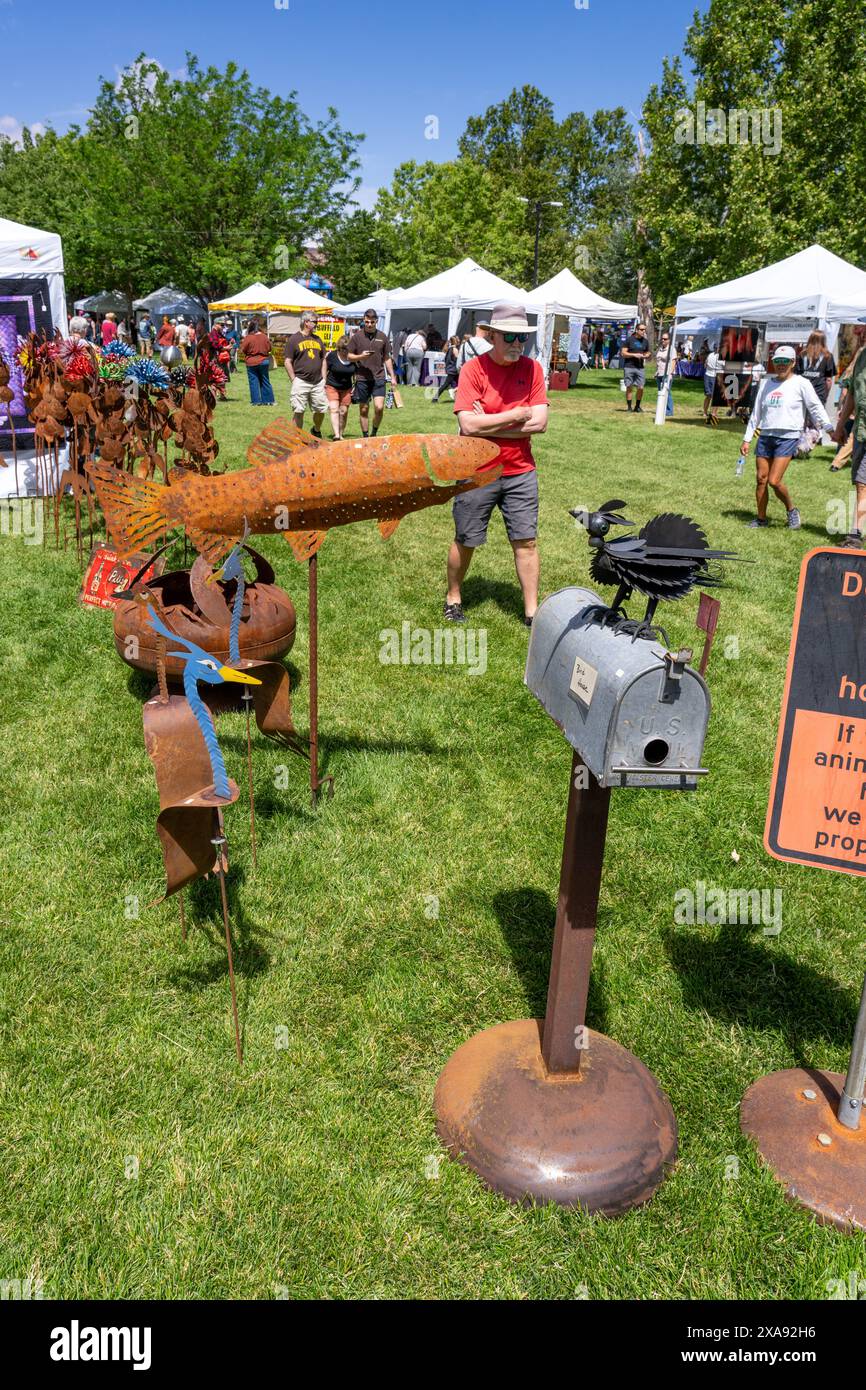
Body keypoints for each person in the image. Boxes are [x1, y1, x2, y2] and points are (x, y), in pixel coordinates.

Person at [444, 303, 548, 628]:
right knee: (467, 538)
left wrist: (487, 420)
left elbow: (541, 423)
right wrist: (516, 416)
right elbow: (468, 427)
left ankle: (532, 612)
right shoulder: (473, 370)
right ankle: (453, 597)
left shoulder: (533, 370)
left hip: (521, 472)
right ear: (491, 336)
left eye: (523, 338)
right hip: (478, 471)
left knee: (526, 541)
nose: (518, 344)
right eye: (510, 337)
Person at [740, 345, 830, 530]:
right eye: (777, 362)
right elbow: (756, 413)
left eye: (785, 361)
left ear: (793, 363)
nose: (781, 365)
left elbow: (815, 407)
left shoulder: (801, 383)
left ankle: (791, 509)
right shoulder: (766, 384)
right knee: (761, 479)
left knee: (774, 480)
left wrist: (827, 426)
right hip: (766, 436)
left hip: (788, 438)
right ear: (773, 363)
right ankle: (761, 519)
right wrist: (747, 439)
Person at [832, 325, 866, 544]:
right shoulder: (862, 356)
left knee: (863, 482)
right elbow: (853, 393)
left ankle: (855, 533)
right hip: (861, 430)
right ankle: (856, 532)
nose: (859, 333)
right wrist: (840, 425)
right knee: (860, 482)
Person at [348, 309, 396, 436]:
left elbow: (387, 358)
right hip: (362, 378)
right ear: (364, 320)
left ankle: (374, 433)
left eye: (372, 322)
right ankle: (365, 437)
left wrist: (393, 376)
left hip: (379, 377)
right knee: (364, 409)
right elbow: (348, 356)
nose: (369, 324)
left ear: (376, 321)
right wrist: (360, 357)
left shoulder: (382, 337)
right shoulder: (357, 337)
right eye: (367, 322)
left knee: (379, 408)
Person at [285, 312, 328, 436]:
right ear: (306, 322)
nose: (317, 324)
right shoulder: (294, 339)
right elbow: (288, 361)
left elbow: (323, 359)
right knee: (299, 411)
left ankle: (316, 430)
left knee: (320, 410)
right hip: (301, 381)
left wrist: (324, 378)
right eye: (315, 321)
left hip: (318, 382)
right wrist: (294, 379)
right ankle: (296, 438)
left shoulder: (318, 339)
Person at [323, 334, 356, 440]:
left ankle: (340, 434)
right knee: (334, 409)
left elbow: (357, 372)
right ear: (339, 347)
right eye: (343, 349)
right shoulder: (332, 356)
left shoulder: (353, 357)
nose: (345, 351)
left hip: (346, 388)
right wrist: (324, 380)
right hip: (332, 386)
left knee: (343, 412)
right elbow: (324, 366)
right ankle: (336, 435)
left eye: (347, 349)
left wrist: (355, 385)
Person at [797, 331, 836, 413]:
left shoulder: (801, 354)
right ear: (823, 341)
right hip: (818, 395)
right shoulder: (828, 356)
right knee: (816, 423)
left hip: (801, 393)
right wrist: (826, 395)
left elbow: (796, 376)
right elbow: (828, 380)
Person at [239, 317, 275, 406]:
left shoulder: (248, 337)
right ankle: (268, 401)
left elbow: (242, 349)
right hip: (264, 361)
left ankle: (256, 401)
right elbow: (270, 348)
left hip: (251, 362)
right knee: (265, 381)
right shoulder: (264, 337)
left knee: (253, 382)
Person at [622, 322, 651, 411]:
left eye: (644, 330)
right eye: (641, 330)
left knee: (641, 387)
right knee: (629, 386)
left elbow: (647, 352)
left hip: (640, 367)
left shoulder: (645, 341)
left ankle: (637, 406)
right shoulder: (629, 340)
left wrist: (647, 355)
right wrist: (634, 355)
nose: (643, 331)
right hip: (629, 366)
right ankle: (629, 407)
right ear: (637, 330)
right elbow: (623, 353)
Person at [654, 331, 678, 417]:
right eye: (662, 338)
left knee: (667, 392)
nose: (663, 340)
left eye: (665, 339)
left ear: (669, 340)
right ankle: (662, 408)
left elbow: (673, 361)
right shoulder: (660, 349)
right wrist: (656, 372)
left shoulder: (671, 349)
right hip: (659, 373)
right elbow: (658, 362)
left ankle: (669, 411)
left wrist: (670, 374)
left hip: (667, 374)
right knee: (660, 392)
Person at [434, 336, 461, 401]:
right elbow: (458, 361)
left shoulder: (449, 349)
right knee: (445, 385)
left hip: (450, 369)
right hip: (454, 370)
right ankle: (435, 398)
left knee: (460, 384)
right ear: (456, 341)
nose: (459, 341)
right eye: (458, 340)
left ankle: (458, 397)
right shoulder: (455, 349)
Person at [702, 344, 722, 423]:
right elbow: (705, 364)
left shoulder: (715, 355)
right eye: (716, 348)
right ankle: (709, 412)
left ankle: (710, 413)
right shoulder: (713, 355)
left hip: (712, 376)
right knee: (711, 396)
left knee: (712, 396)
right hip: (711, 375)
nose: (717, 349)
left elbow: (705, 365)